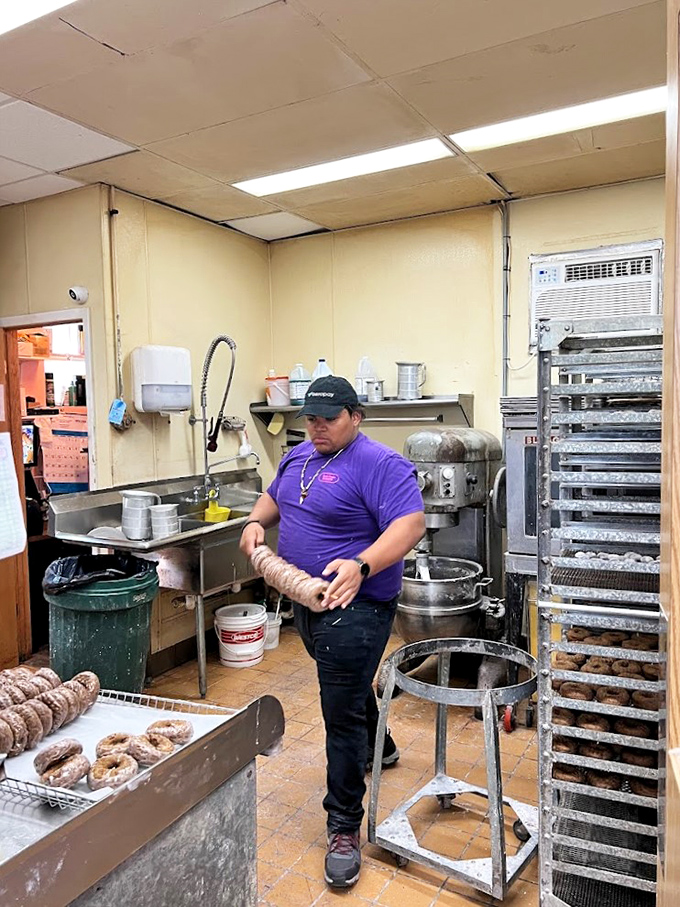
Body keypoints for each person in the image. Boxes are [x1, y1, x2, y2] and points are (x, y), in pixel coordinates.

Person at [240, 375, 425, 889]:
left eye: (329, 418)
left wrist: (362, 565)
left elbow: (410, 525)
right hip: (304, 600)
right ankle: (382, 745)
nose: (317, 427)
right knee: (346, 684)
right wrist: (257, 523)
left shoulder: (378, 464)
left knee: (338, 716)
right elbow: (275, 498)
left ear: (355, 416)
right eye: (311, 418)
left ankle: (344, 828)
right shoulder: (298, 456)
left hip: (357, 605)